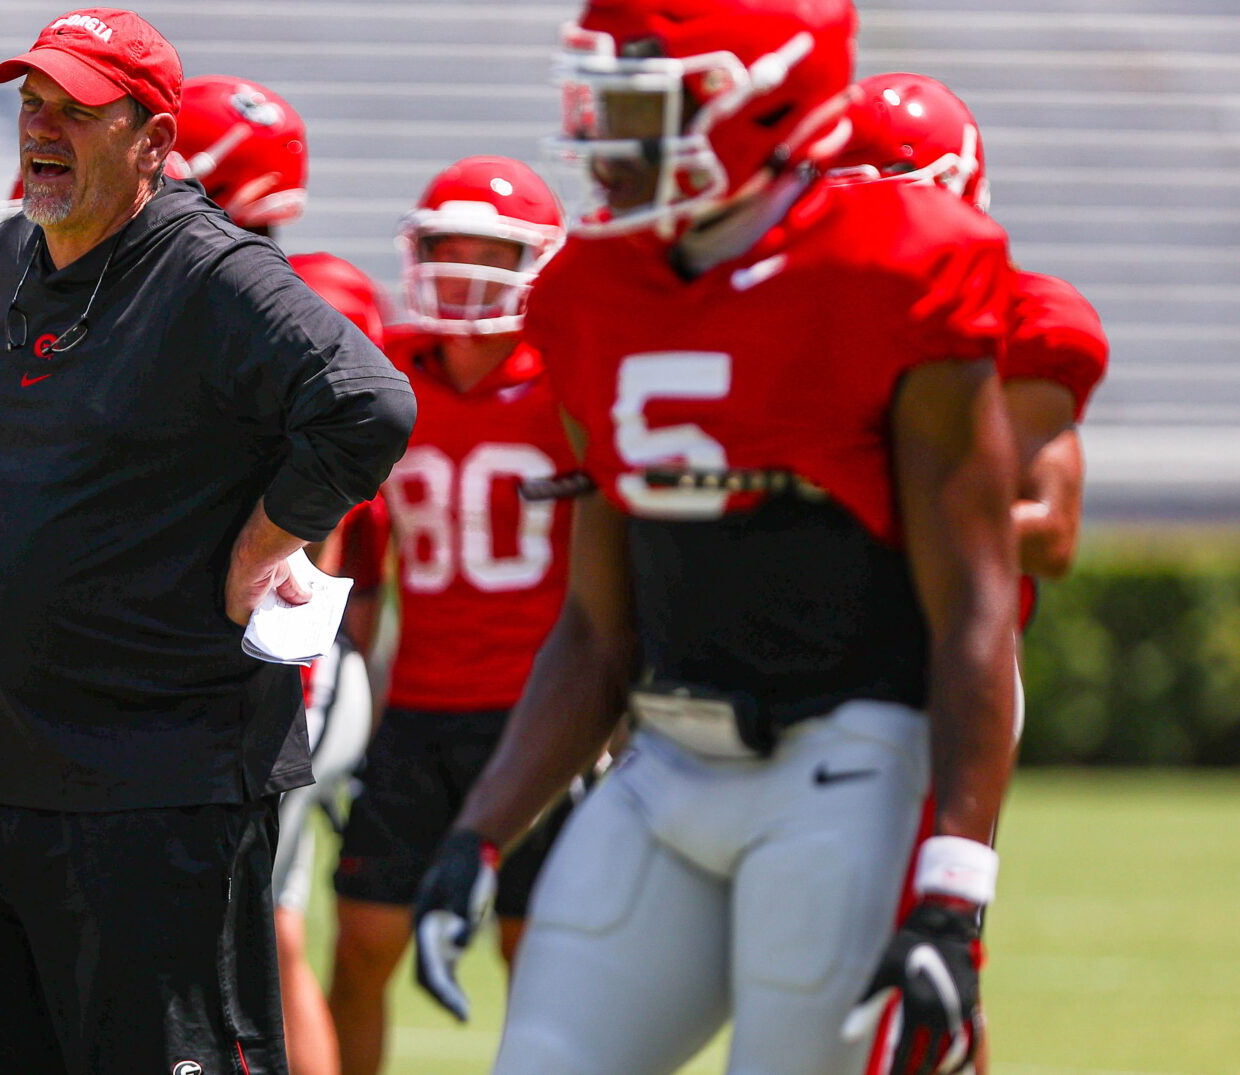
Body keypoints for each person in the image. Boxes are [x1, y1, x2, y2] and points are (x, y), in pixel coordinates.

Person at [408, 3, 1023, 1075]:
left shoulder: (895, 269)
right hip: (659, 766)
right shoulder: (590, 293)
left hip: (843, 767)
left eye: (637, 101)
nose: (605, 130)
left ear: (764, 100)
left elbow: (974, 604)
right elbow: (599, 627)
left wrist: (952, 887)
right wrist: (480, 828)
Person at [0, 10, 415, 1075]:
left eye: (78, 109)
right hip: (3, 780)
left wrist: (267, 540)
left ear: (153, 142)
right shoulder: (12, 255)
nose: (43, 126)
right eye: (32, 102)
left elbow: (367, 402)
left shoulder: (213, 273)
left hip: (157, 790)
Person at [323, 156, 580, 1075]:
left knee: (542, 958)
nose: (465, 271)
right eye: (447, 249)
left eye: (491, 253)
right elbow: (350, 548)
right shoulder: (384, 378)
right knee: (360, 942)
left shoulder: (575, 384)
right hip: (417, 712)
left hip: (543, 716)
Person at [829, 72, 1109, 629]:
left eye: (889, 210)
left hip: (942, 649)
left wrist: (831, 522)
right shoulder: (788, 318)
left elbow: (1050, 534)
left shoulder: (1028, 321)